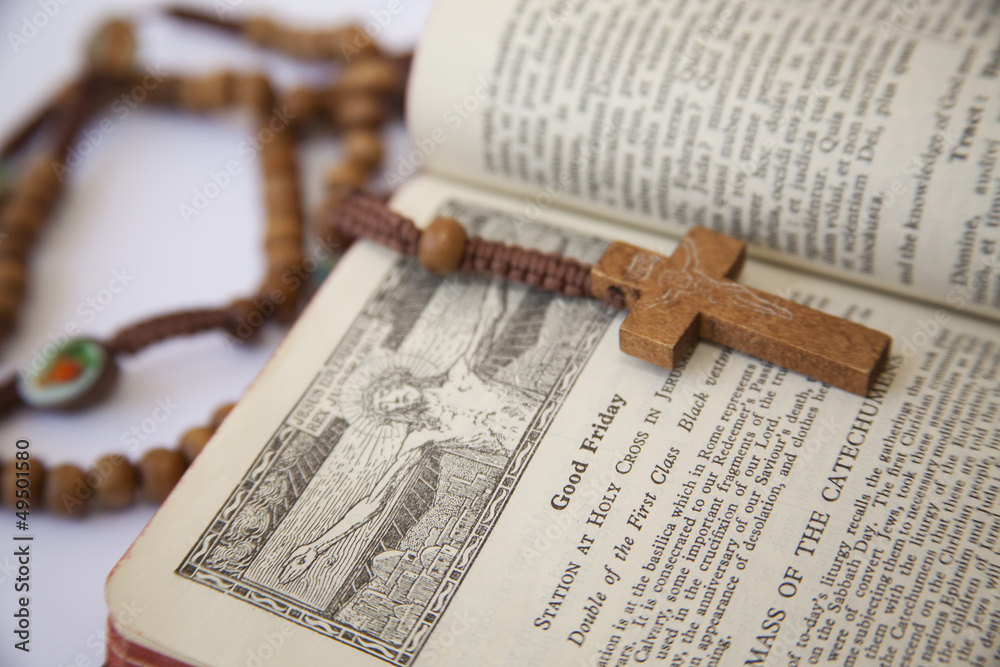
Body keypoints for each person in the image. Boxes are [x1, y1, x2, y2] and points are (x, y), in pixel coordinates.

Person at [278, 279, 536, 585]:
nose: (393, 399)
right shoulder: (419, 437)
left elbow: (490, 318)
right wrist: (315, 547)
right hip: (533, 454)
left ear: (400, 379)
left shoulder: (459, 372)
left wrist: (496, 280)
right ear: (392, 415)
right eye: (386, 406)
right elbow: (373, 503)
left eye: (388, 391)